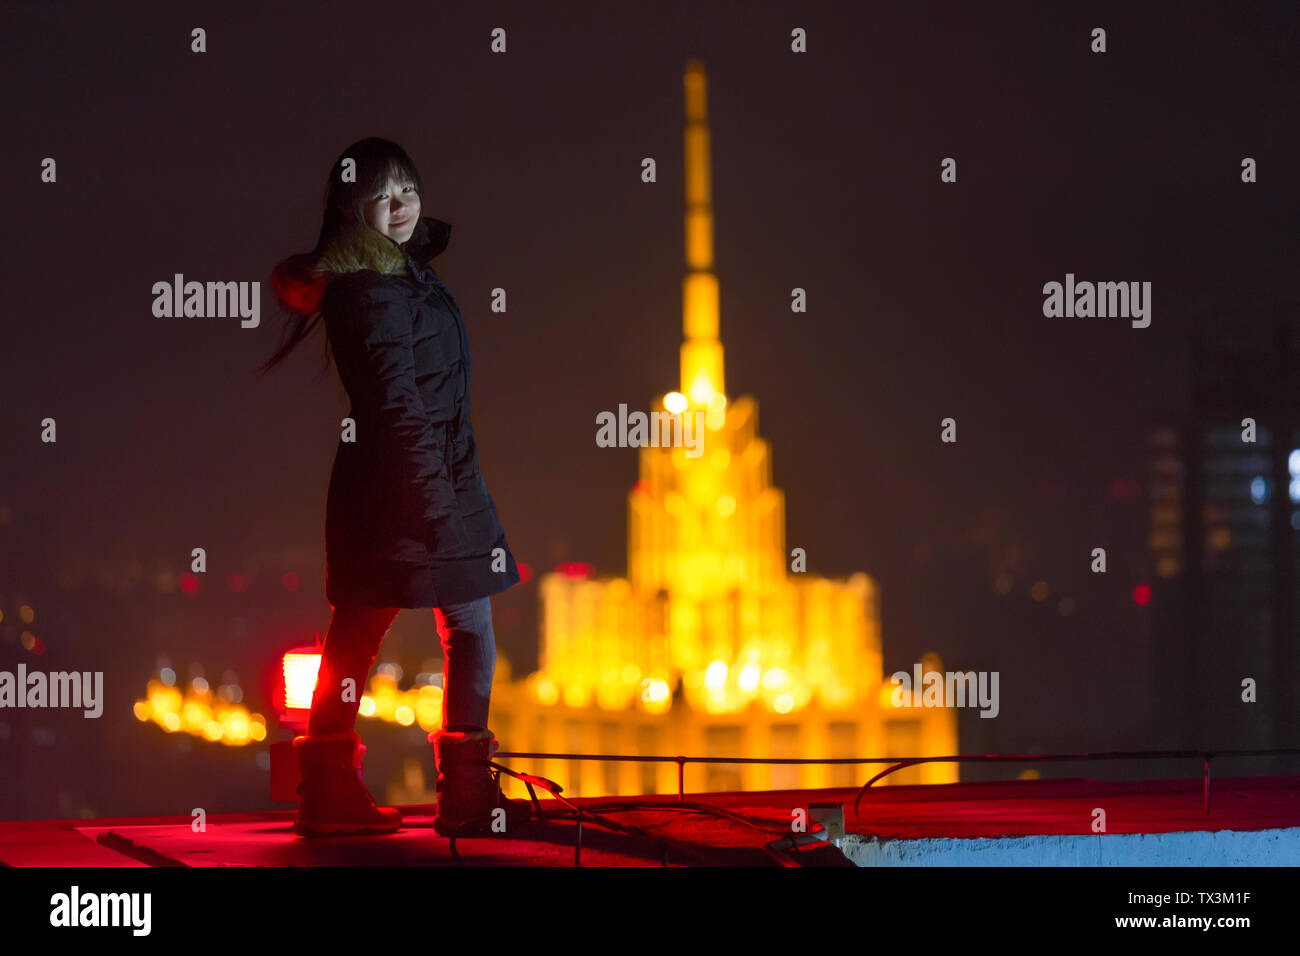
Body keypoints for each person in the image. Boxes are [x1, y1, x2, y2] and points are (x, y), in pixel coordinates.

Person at [260, 136, 530, 838]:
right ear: (354, 209)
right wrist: (434, 503)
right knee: (399, 628)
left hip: (424, 477)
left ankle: (336, 789)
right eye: (383, 193)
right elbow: (394, 406)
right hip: (407, 482)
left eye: (407, 188)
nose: (402, 203)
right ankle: (449, 794)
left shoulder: (402, 276)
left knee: (378, 627)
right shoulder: (372, 289)